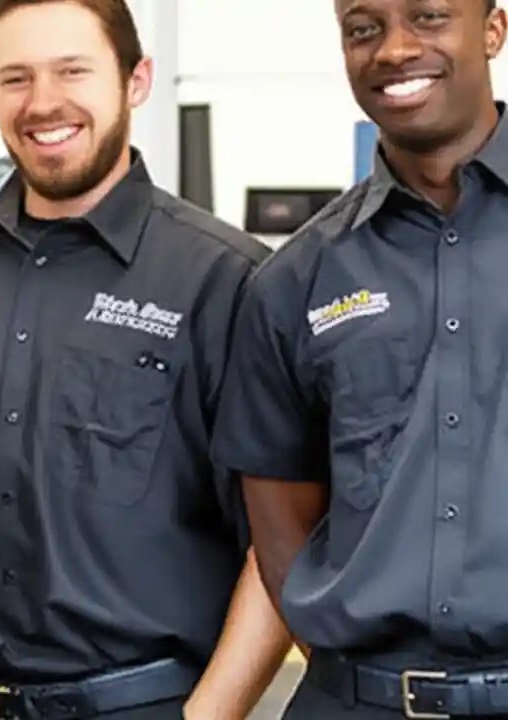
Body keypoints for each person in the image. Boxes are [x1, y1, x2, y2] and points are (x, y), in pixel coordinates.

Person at [0, 1, 296, 718]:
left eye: (73, 71)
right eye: (17, 78)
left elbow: (281, 539)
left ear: (136, 80)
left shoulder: (225, 281)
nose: (44, 103)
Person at [211, 0, 508, 717]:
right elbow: (279, 524)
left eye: (430, 16)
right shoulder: (295, 279)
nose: (394, 50)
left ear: (493, 29)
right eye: (363, 29)